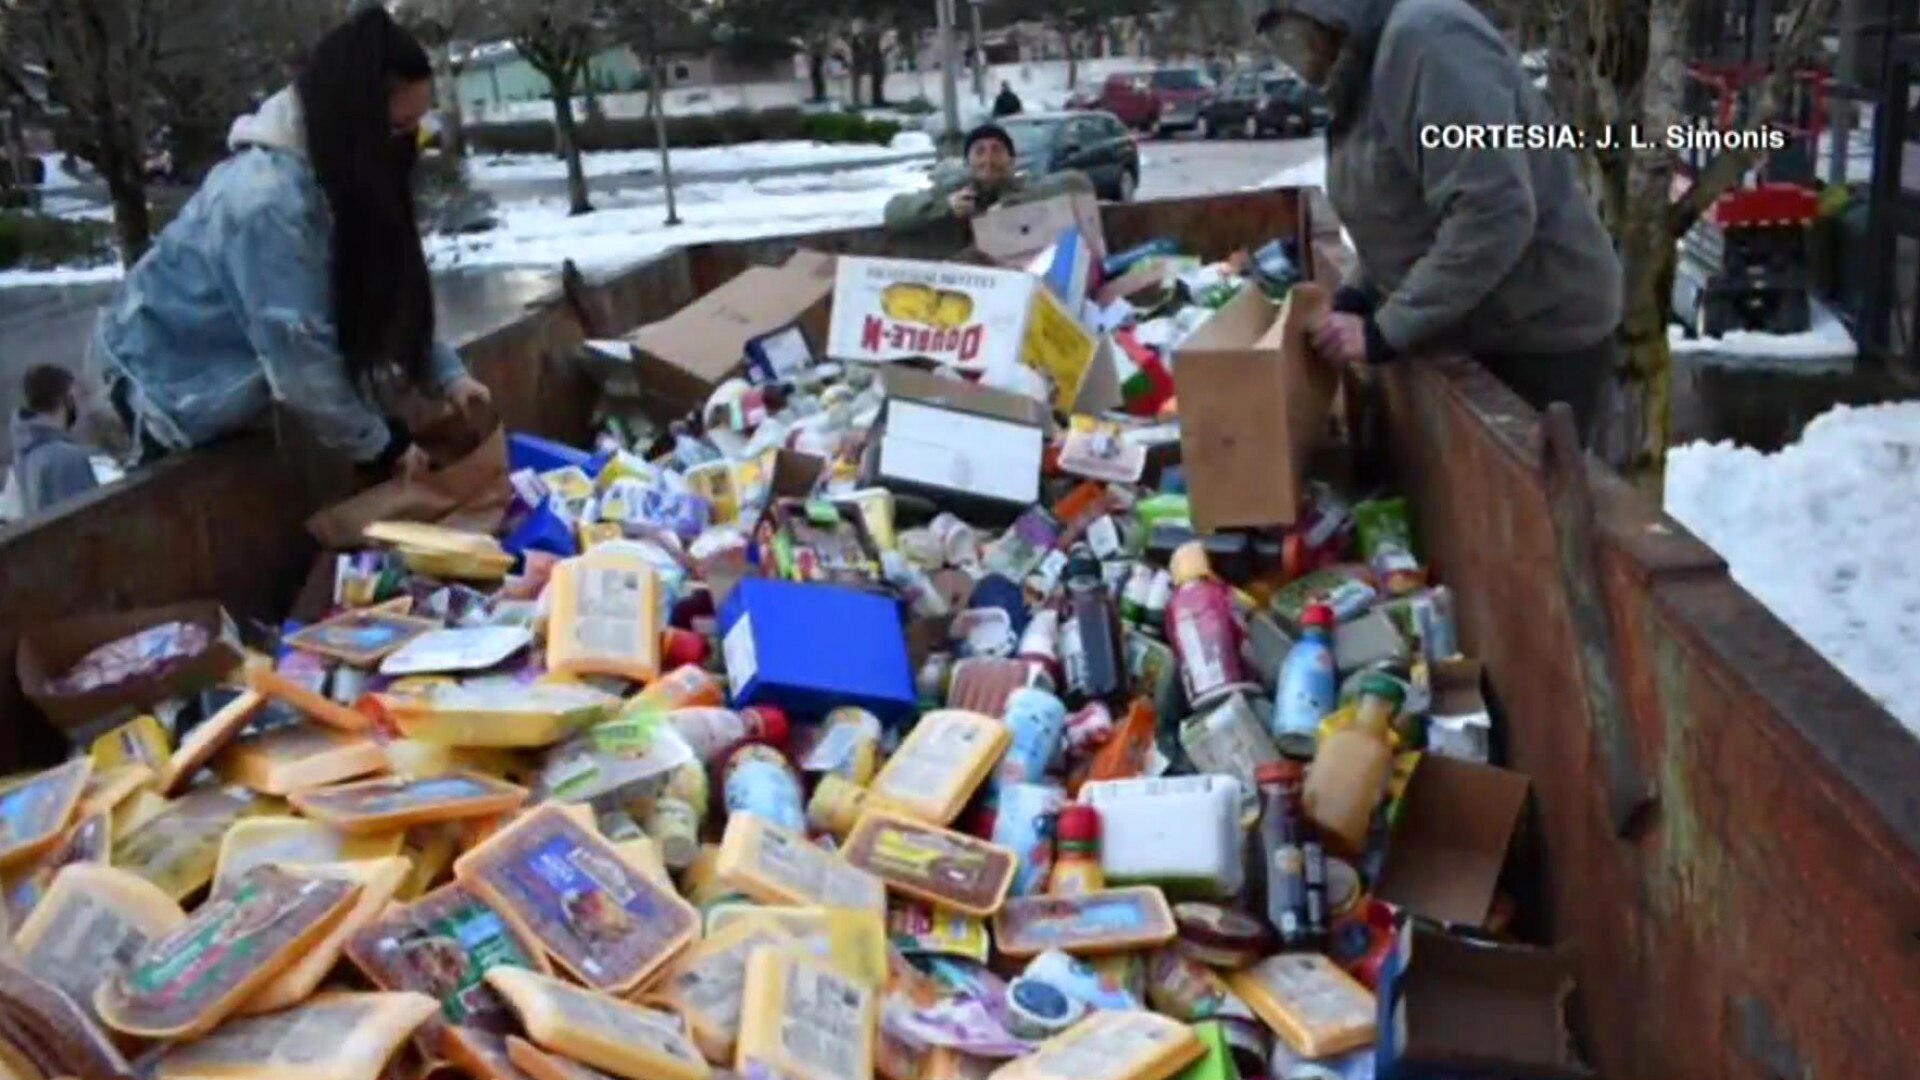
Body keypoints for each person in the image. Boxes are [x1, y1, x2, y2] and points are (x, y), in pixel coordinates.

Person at [90, 6, 491, 478]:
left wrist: (447, 374)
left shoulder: (345, 175)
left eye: (415, 129)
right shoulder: (265, 205)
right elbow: (301, 361)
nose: (409, 146)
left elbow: (382, 292)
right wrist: (386, 449)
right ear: (356, 119)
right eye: (398, 129)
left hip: (244, 380)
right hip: (162, 395)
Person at [1259, 0, 1623, 443]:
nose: (1303, 59)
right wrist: (1360, 292)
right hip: (1469, 322)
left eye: (1302, 38)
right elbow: (1405, 216)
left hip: (1534, 333)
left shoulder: (1431, 42)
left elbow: (1494, 212)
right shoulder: (1360, 69)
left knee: (1523, 484)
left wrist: (1384, 330)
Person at [883, 122, 1095, 234]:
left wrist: (1013, 205)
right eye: (980, 151)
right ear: (967, 162)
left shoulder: (1025, 186)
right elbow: (894, 211)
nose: (988, 160)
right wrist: (945, 207)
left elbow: (1078, 183)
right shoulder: (956, 191)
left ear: (1011, 161)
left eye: (997, 150)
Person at [10, 365, 99, 516]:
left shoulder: (24, 454)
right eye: (79, 397)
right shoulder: (66, 458)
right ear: (67, 399)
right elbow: (90, 518)